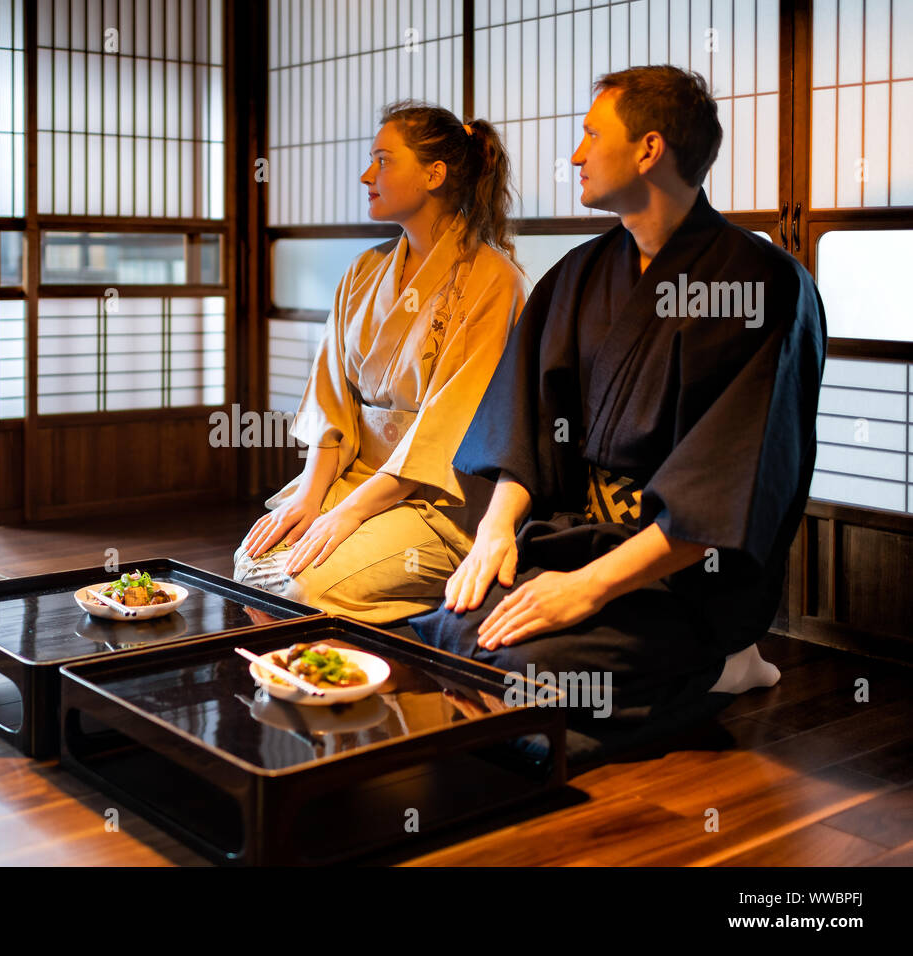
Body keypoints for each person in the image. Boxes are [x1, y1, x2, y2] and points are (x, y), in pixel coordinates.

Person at [409, 66, 826, 724]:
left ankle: (727, 663)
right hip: (578, 539)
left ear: (649, 149)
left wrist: (587, 591)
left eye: (590, 133)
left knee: (525, 674)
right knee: (445, 632)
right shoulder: (579, 275)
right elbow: (529, 420)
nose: (576, 153)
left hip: (682, 576)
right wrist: (494, 531)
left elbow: (730, 486)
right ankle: (667, 663)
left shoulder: (762, 285)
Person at [233, 100, 526, 624]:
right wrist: (311, 494)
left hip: (436, 502)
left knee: (296, 587)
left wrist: (347, 515)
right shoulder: (364, 271)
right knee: (251, 565)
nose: (368, 174)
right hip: (354, 478)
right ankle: (298, 688)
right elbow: (331, 401)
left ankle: (362, 691)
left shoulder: (492, 280)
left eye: (384, 160)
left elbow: (444, 432)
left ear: (434, 173)